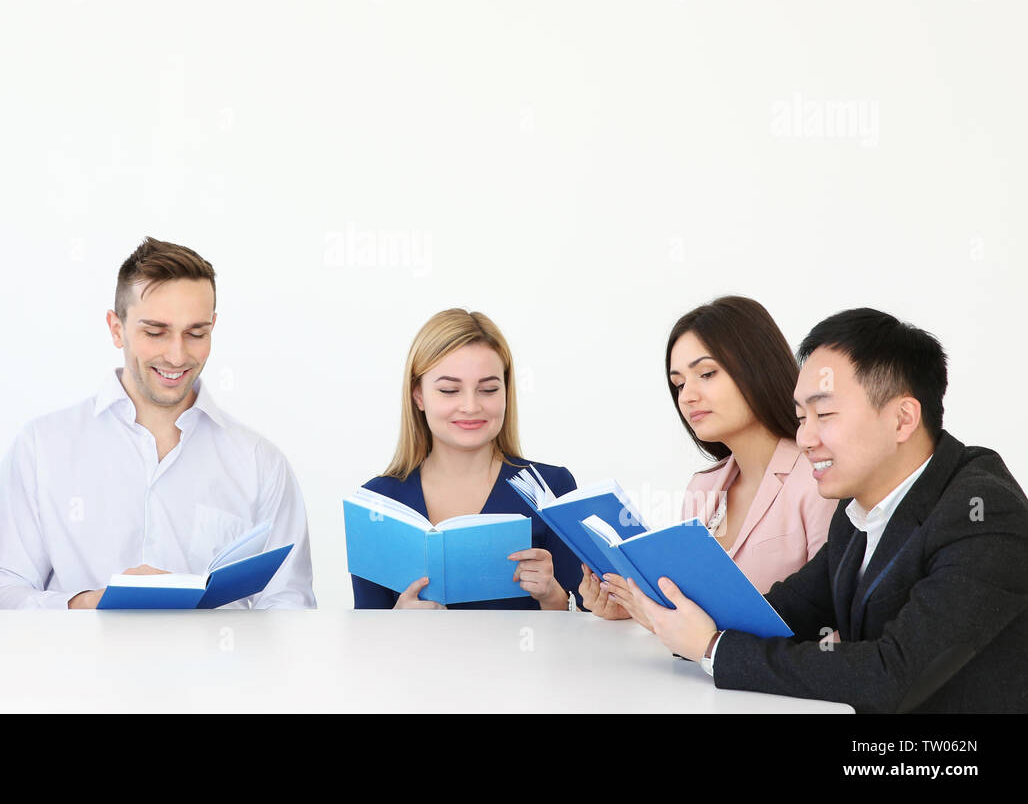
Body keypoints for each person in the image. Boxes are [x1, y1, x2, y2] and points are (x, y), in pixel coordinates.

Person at [621, 308, 1028, 713]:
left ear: (902, 419)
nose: (805, 437)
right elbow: (785, 613)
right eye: (801, 417)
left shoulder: (983, 512)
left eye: (825, 414)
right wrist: (669, 614)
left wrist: (713, 647)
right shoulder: (858, 508)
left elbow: (894, 676)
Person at [0, 237, 315, 609]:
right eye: (155, 332)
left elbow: (289, 607)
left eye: (196, 333)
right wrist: (89, 605)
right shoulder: (42, 447)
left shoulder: (259, 463)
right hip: (80, 649)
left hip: (216, 652)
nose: (177, 355)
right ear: (116, 328)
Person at [581, 296, 836, 619]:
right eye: (679, 384)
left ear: (757, 367)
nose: (687, 396)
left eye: (706, 374)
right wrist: (634, 609)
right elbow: (692, 616)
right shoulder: (702, 488)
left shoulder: (819, 480)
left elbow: (833, 617)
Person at [351, 308, 582, 610]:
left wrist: (552, 596)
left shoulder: (549, 488)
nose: (471, 406)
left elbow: (592, 623)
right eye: (449, 390)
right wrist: (397, 621)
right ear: (418, 396)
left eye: (488, 389)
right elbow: (367, 630)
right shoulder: (377, 501)